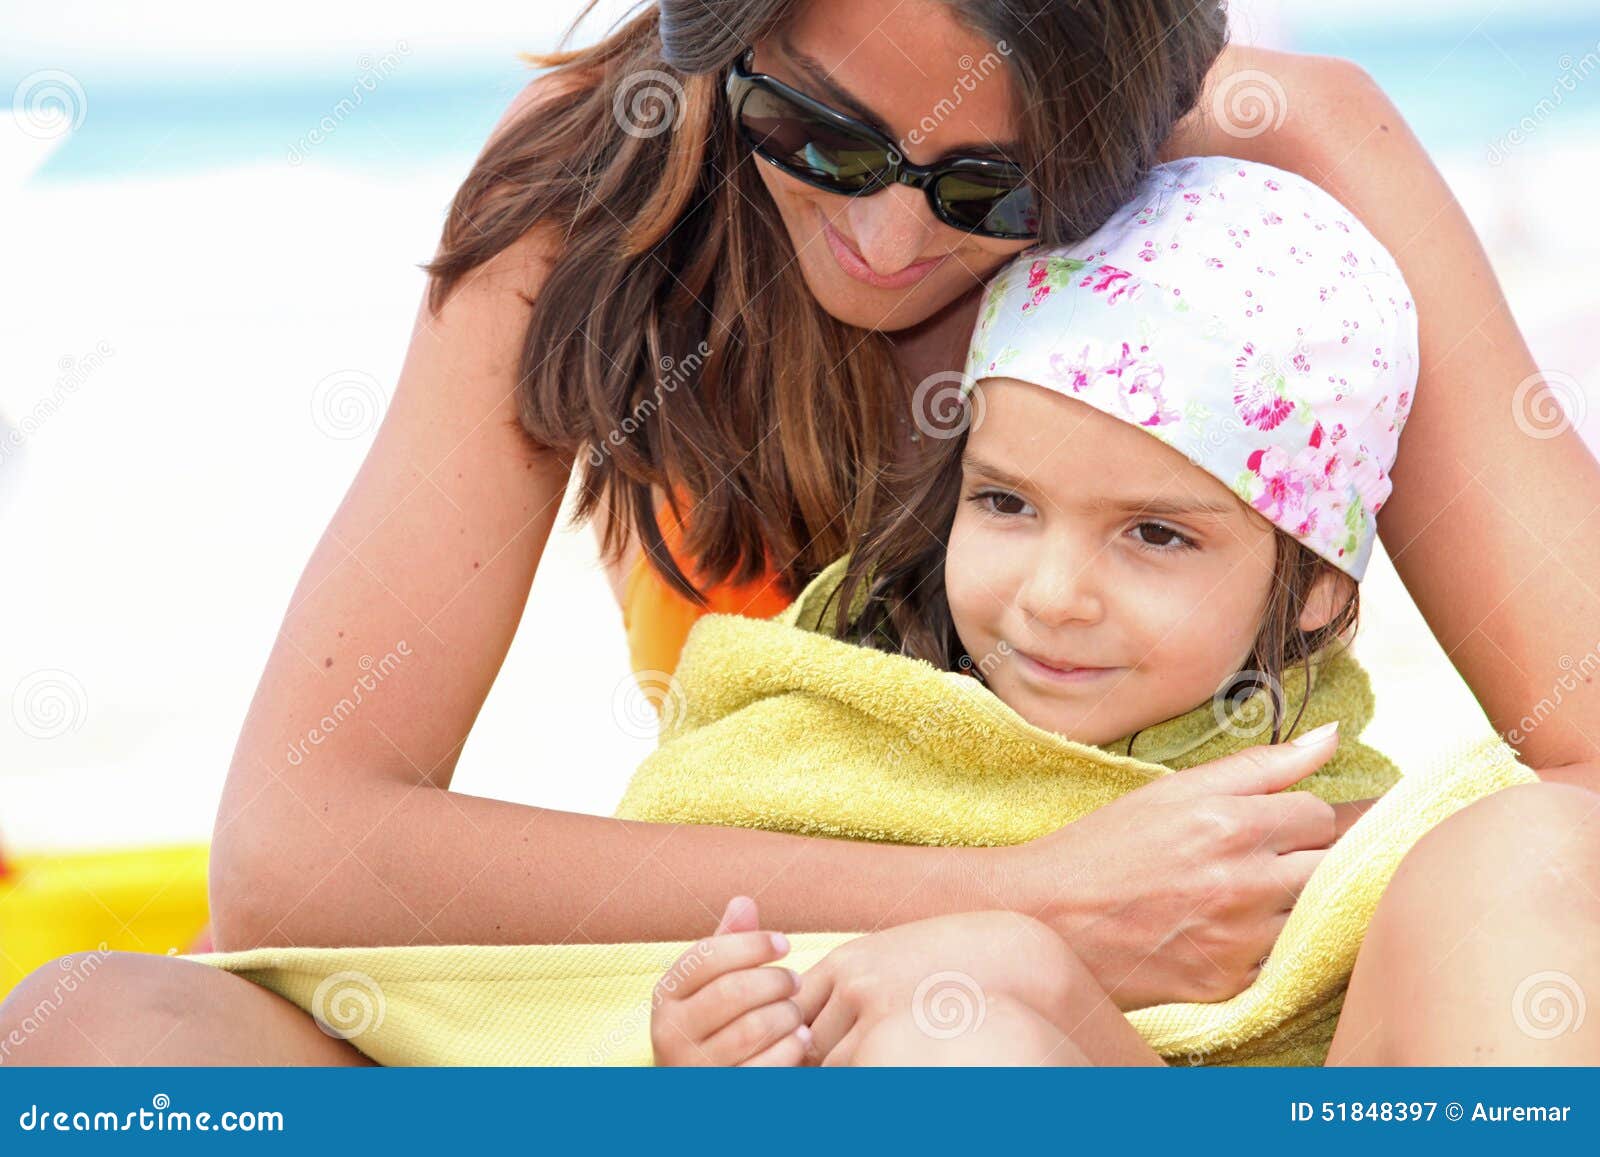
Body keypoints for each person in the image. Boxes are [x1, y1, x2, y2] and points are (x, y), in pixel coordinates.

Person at [4, 0, 1599, 1067]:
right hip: (726, 991)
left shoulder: (1257, 154)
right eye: (819, 134)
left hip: (1093, 1040)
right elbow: (301, 851)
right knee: (91, 1039)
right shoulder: (604, 202)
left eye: (999, 188)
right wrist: (1024, 890)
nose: (890, 235)